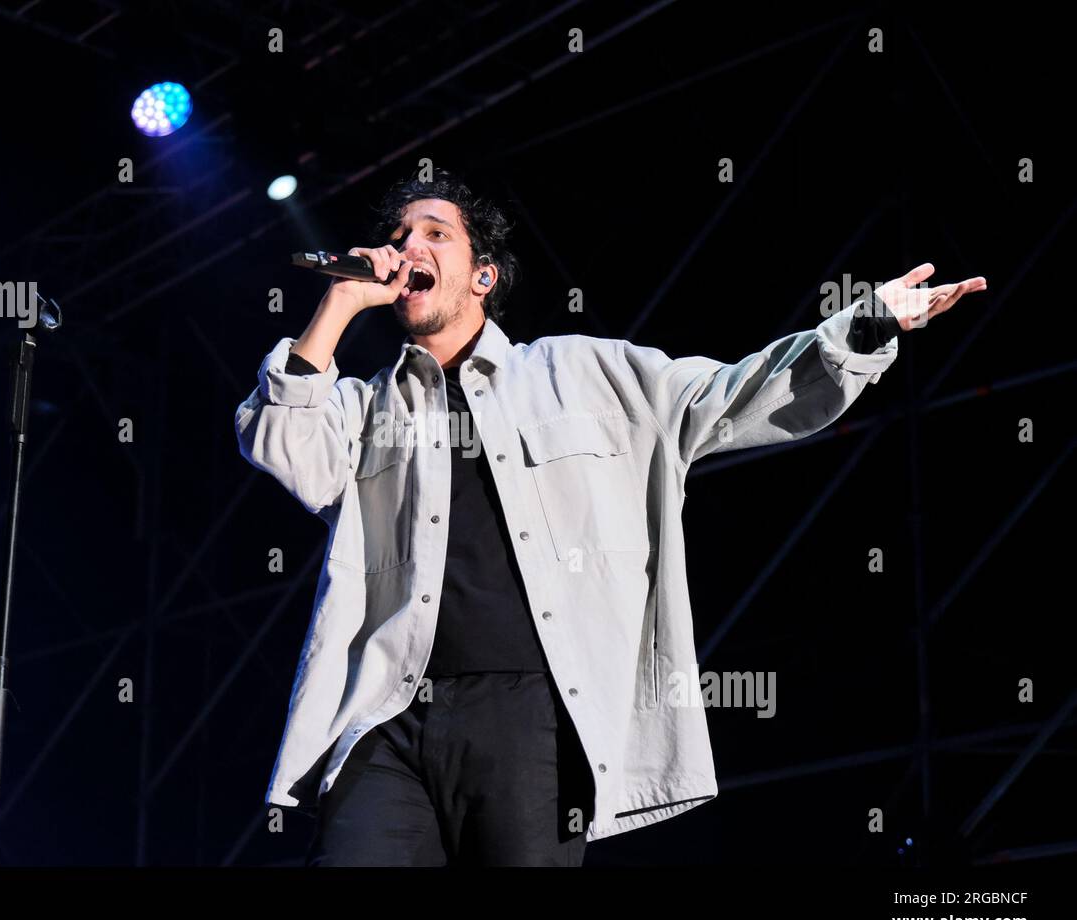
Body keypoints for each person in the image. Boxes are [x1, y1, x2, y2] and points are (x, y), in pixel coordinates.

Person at [233, 171, 987, 866]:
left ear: (483, 276)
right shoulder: (366, 408)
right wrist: (336, 304)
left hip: (532, 713)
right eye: (398, 238)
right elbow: (281, 445)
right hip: (384, 715)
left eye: (434, 233)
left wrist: (864, 327)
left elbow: (731, 395)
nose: (407, 248)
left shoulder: (587, 373)